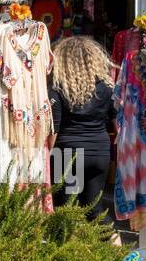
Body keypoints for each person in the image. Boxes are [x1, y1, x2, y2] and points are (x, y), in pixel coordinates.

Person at [49, 36, 116, 221]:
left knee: (65, 211)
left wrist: (45, 156)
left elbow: (53, 130)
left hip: (68, 155)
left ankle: (66, 249)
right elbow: (117, 123)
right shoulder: (107, 87)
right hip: (100, 153)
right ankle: (116, 247)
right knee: (95, 210)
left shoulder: (58, 88)